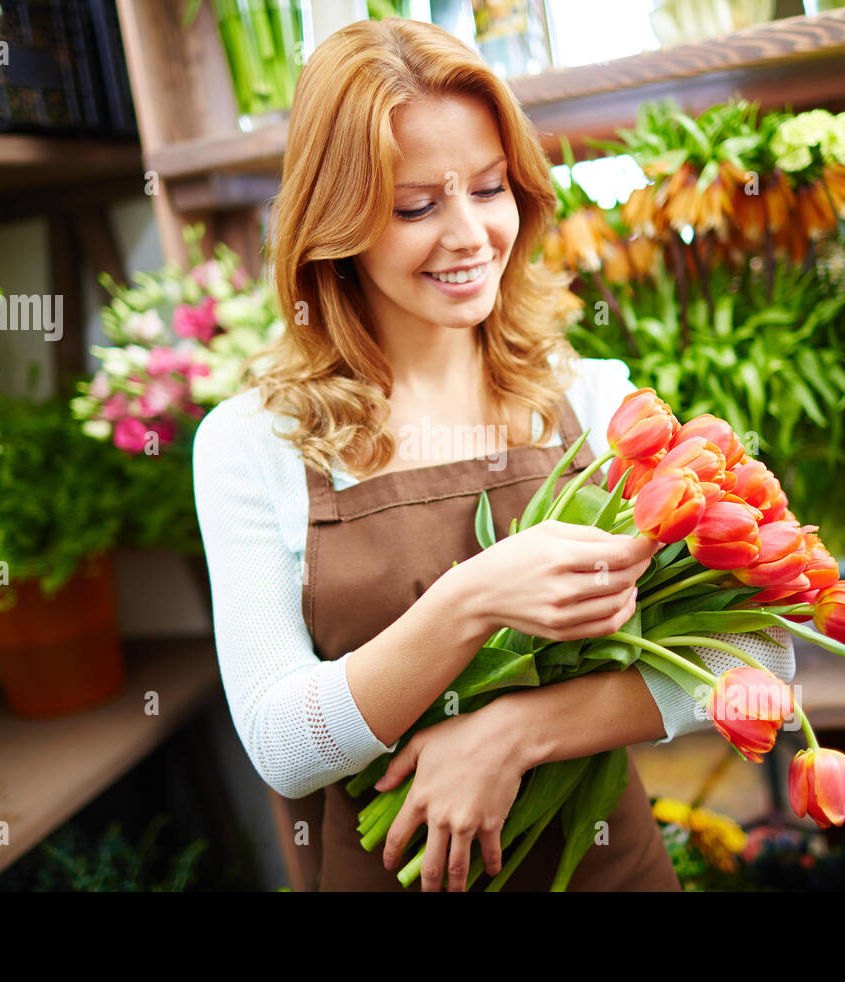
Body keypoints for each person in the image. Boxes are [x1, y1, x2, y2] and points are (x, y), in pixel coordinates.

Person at [192, 17, 795, 892]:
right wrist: (473, 598)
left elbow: (759, 654)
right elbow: (283, 745)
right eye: (416, 206)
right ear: (337, 222)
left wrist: (516, 734)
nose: (470, 234)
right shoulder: (254, 443)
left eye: (489, 187)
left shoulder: (590, 398)